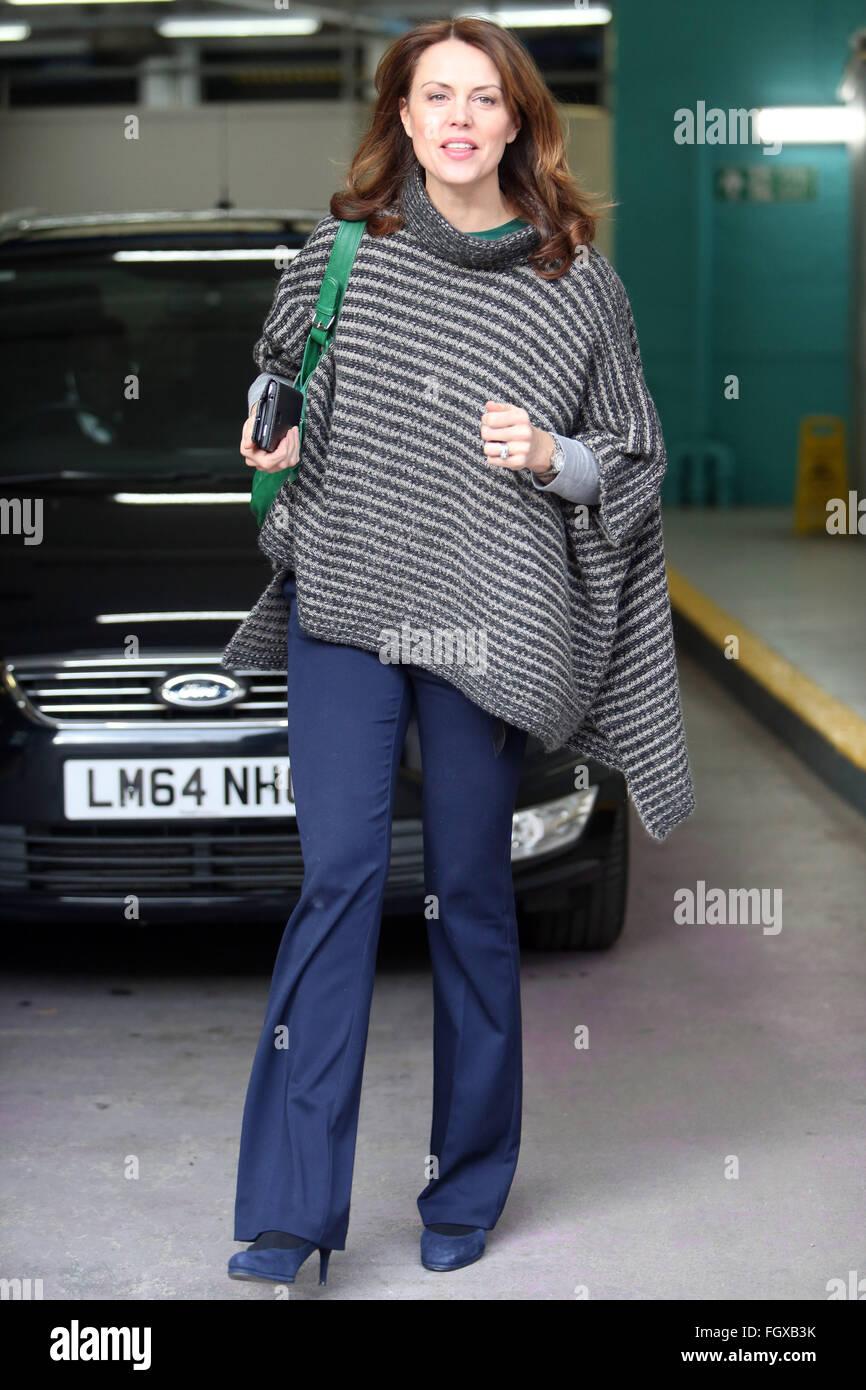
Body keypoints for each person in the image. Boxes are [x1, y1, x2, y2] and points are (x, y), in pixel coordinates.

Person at [225, 16, 695, 1289]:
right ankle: (285, 1213)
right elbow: (276, 383)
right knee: (334, 883)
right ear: (400, 114)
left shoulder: (571, 279)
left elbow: (637, 453)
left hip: (488, 620)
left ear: (516, 121)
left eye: (482, 99)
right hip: (345, 606)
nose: (457, 119)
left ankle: (464, 1181)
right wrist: (266, 431)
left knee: (473, 899)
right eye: (434, 95)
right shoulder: (335, 257)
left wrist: (553, 456)